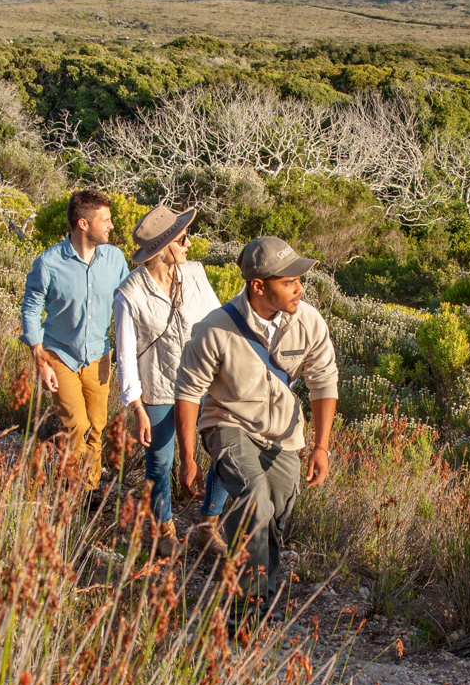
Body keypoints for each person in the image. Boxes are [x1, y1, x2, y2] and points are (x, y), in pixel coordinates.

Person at [173, 236, 338, 610]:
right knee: (254, 501)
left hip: (283, 435)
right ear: (258, 286)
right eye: (289, 282)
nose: (299, 289)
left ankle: (258, 596)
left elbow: (324, 381)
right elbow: (187, 393)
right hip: (227, 424)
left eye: (299, 280)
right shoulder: (214, 329)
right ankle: (243, 612)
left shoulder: (309, 321)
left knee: (274, 518)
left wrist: (321, 446)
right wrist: (188, 458)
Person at [114, 204, 228, 528]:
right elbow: (125, 355)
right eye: (182, 239)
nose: (188, 244)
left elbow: (219, 321)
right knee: (160, 462)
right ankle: (163, 530)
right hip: (158, 388)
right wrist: (137, 409)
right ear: (163, 248)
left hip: (201, 382)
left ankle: (208, 525)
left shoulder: (195, 274)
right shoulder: (129, 295)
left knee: (226, 449)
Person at [20, 189, 128, 492]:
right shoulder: (49, 263)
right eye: (105, 220)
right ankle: (74, 488)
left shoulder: (115, 259)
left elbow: (128, 301)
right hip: (59, 354)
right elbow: (30, 309)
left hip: (98, 355)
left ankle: (87, 490)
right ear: (83, 224)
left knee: (96, 426)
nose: (111, 226)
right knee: (76, 425)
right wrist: (40, 359)